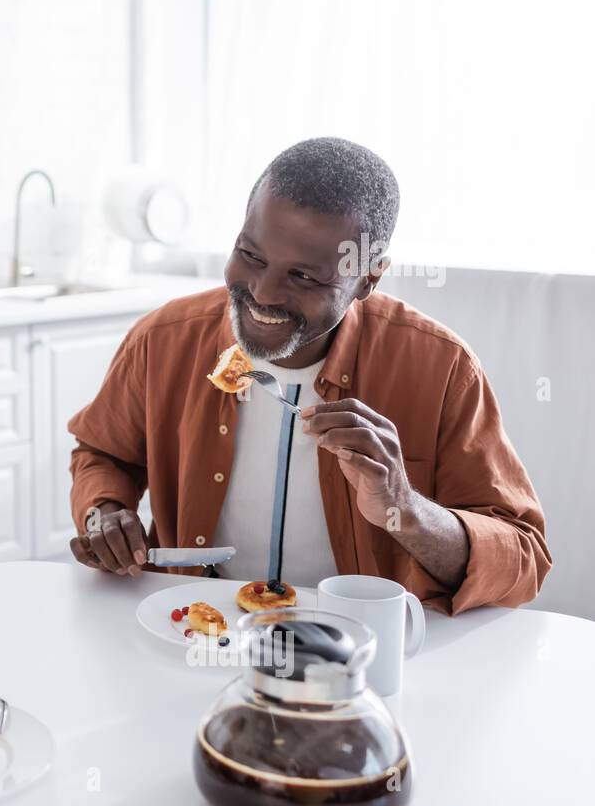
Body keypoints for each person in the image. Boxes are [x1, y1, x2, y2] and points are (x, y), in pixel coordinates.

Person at [67, 137, 549, 614]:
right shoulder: (164, 339)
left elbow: (523, 559)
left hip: (357, 653)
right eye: (251, 255)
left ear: (368, 279)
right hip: (197, 632)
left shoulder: (442, 367)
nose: (263, 293)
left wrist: (407, 508)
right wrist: (104, 512)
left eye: (305, 277)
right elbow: (104, 453)